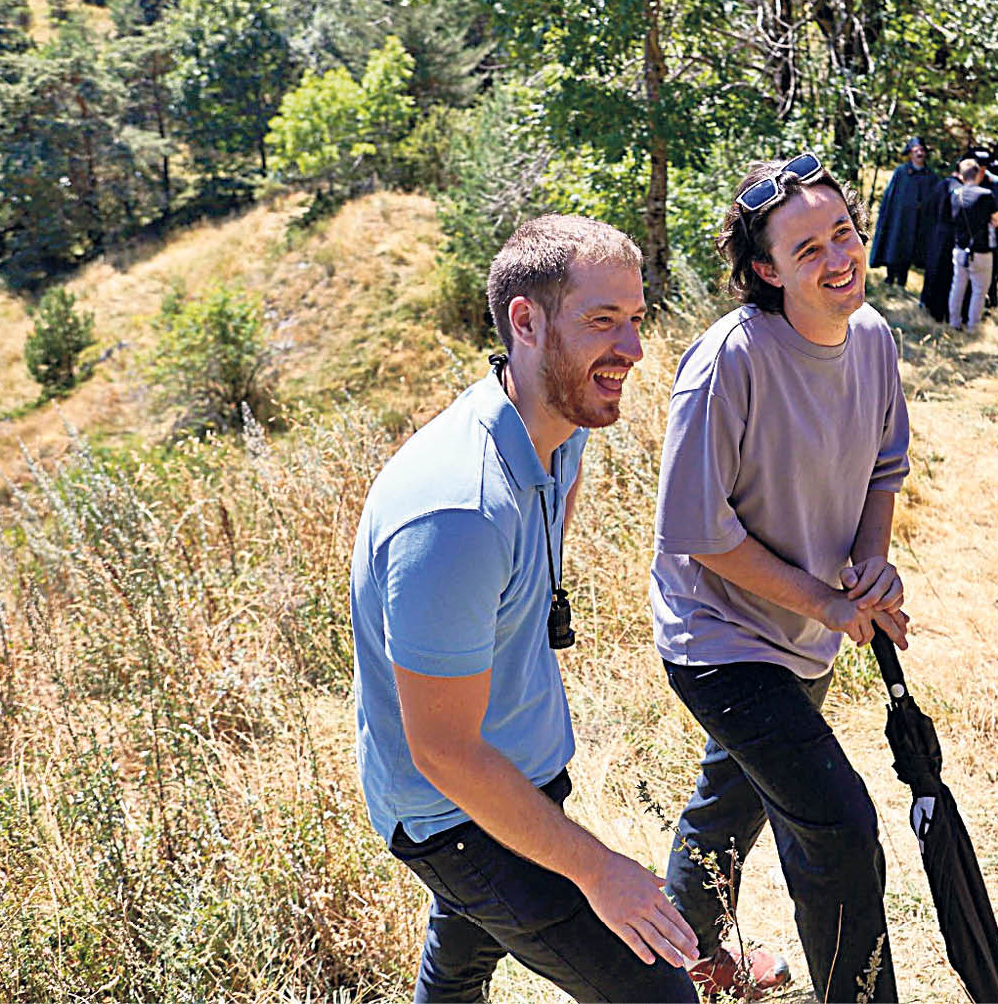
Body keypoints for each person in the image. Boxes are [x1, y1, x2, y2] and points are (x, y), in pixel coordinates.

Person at [350, 214, 700, 1004]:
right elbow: (443, 752)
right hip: (453, 815)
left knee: (458, 966)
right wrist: (596, 868)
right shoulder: (456, 512)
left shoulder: (558, 426)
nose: (633, 349)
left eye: (636, 318)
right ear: (525, 322)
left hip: (519, 770)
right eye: (602, 320)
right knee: (657, 993)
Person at [651, 152, 912, 1002]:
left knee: (730, 803)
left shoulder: (871, 339)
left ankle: (675, 960)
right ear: (766, 271)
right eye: (808, 250)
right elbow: (698, 532)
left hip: (803, 632)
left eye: (842, 232)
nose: (839, 258)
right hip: (718, 639)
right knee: (836, 826)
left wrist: (869, 564)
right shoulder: (728, 362)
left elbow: (882, 468)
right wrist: (828, 604)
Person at [867, 136, 939, 287]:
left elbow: (934, 200)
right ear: (910, 154)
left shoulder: (930, 176)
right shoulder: (901, 172)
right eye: (916, 150)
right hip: (899, 218)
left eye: (922, 150)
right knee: (894, 243)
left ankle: (902, 280)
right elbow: (891, 196)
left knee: (909, 248)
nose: (919, 153)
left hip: (918, 222)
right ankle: (890, 276)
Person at [952, 148, 998, 315]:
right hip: (968, 238)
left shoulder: (995, 184)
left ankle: (988, 305)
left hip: (988, 238)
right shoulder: (965, 182)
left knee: (987, 278)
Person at [947, 158, 998, 332]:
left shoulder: (955, 194)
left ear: (961, 176)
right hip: (981, 250)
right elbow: (997, 220)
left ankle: (954, 322)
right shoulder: (986, 195)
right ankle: (973, 326)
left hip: (960, 248)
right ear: (978, 174)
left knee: (957, 287)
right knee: (979, 291)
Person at [919, 162, 962, 323]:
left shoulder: (940, 185)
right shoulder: (957, 189)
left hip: (935, 235)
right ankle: (939, 312)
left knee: (933, 271)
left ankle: (927, 305)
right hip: (949, 238)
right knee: (945, 274)